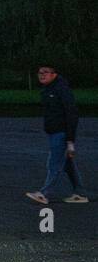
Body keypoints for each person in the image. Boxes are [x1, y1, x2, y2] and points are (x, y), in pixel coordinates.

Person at [26, 64, 88, 205]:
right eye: (40, 72)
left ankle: (44, 193)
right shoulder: (48, 89)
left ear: (54, 74)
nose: (41, 74)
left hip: (62, 133)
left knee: (54, 163)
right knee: (67, 164)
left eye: (45, 72)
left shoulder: (62, 89)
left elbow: (72, 114)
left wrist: (70, 140)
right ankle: (80, 193)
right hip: (54, 133)